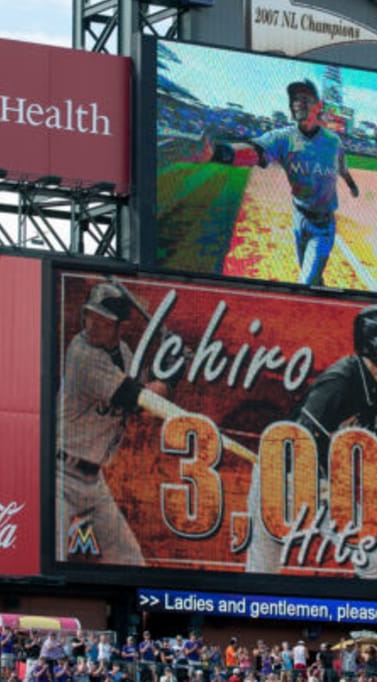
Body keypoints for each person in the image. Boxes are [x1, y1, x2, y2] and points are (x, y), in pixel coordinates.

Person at [244, 304, 377, 577]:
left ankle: (358, 616)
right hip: (280, 478)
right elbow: (303, 436)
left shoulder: (374, 384)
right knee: (261, 574)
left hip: (313, 481)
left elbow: (370, 441)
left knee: (375, 562)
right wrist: (321, 485)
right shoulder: (340, 380)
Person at [57, 281, 178, 565]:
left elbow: (142, 392)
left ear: (117, 326)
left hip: (93, 479)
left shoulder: (122, 353)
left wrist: (166, 363)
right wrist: (172, 375)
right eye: (90, 316)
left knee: (131, 562)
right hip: (59, 474)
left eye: (102, 320)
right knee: (52, 563)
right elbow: (139, 399)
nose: (93, 324)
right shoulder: (81, 353)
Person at [197, 79, 360, 286]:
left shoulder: (333, 142)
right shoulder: (284, 138)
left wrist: (352, 185)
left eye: (304, 98)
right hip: (299, 218)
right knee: (312, 278)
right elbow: (255, 152)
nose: (297, 103)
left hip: (324, 225)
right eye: (294, 100)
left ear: (318, 106)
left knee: (306, 283)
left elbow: (342, 169)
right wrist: (220, 153)